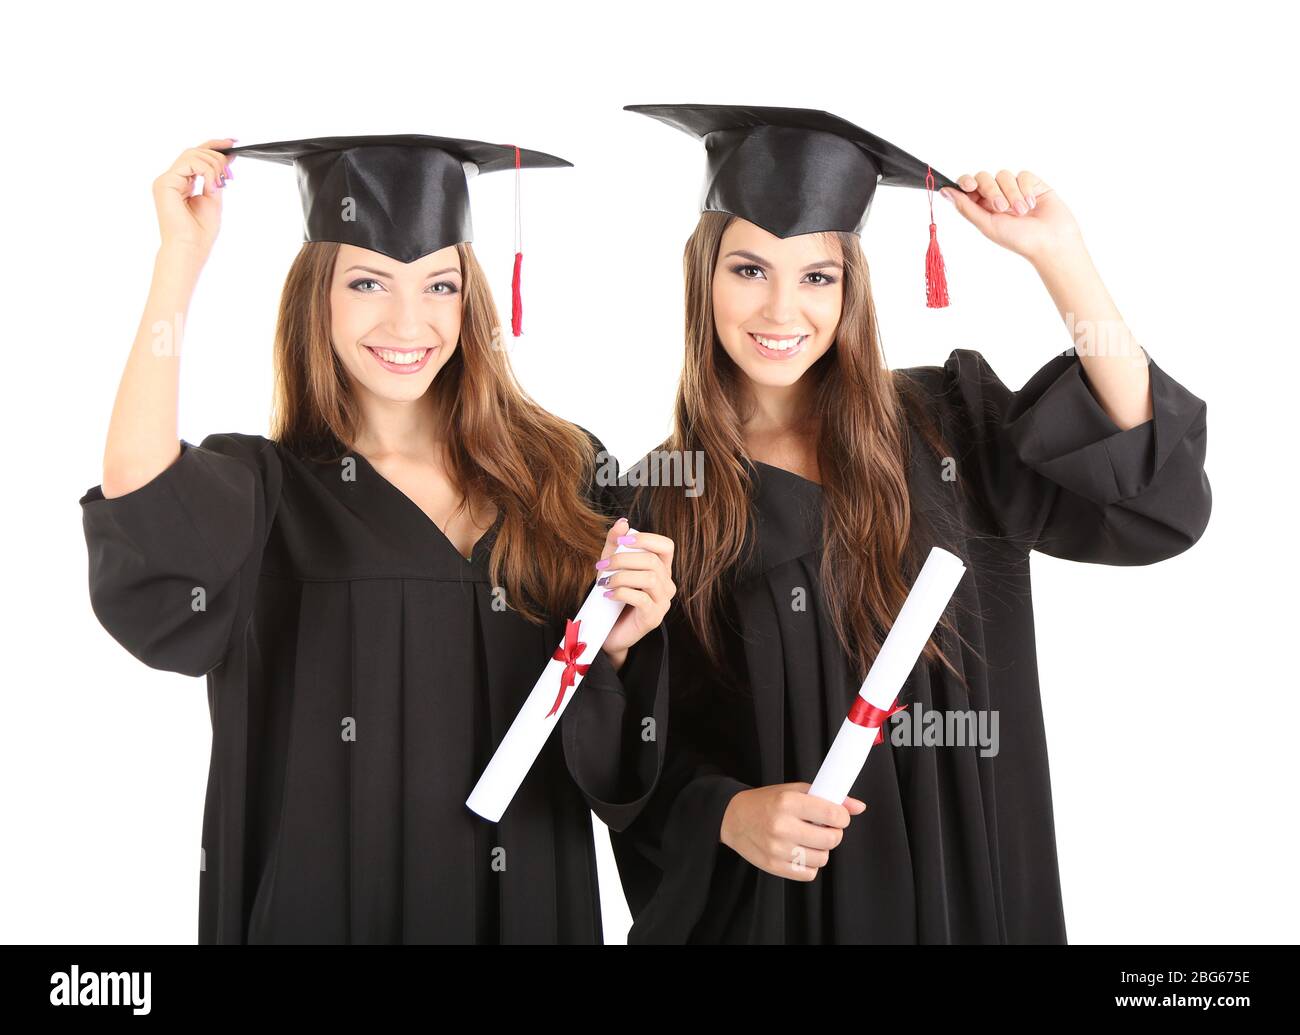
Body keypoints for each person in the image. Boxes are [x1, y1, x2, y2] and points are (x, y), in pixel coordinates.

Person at [609, 104, 1211, 943]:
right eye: (749, 269)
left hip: (978, 883)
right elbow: (641, 748)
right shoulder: (656, 503)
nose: (783, 308)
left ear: (851, 287)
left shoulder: (943, 424)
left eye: (818, 276)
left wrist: (1060, 258)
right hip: (798, 911)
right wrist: (730, 812)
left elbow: (1150, 488)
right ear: (702, 275)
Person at [77, 134, 675, 944]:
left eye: (439, 284)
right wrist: (179, 261)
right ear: (316, 295)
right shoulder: (267, 491)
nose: (408, 321)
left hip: (525, 896)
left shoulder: (565, 474)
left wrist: (622, 644)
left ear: (471, 302)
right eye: (367, 282)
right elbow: (141, 492)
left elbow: (618, 762)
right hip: (327, 906)